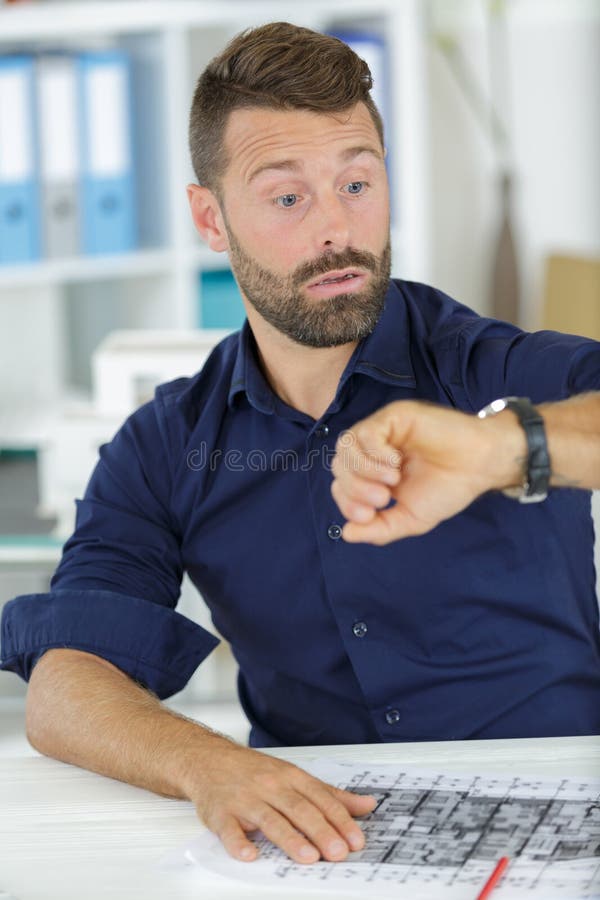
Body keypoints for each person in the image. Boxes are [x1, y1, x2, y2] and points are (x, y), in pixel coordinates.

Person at [1, 21, 599, 868]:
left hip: (556, 808)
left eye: (357, 182)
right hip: (314, 842)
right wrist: (212, 769)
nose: (337, 230)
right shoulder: (166, 444)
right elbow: (64, 689)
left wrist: (503, 449)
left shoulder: (485, 365)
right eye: (288, 197)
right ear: (210, 216)